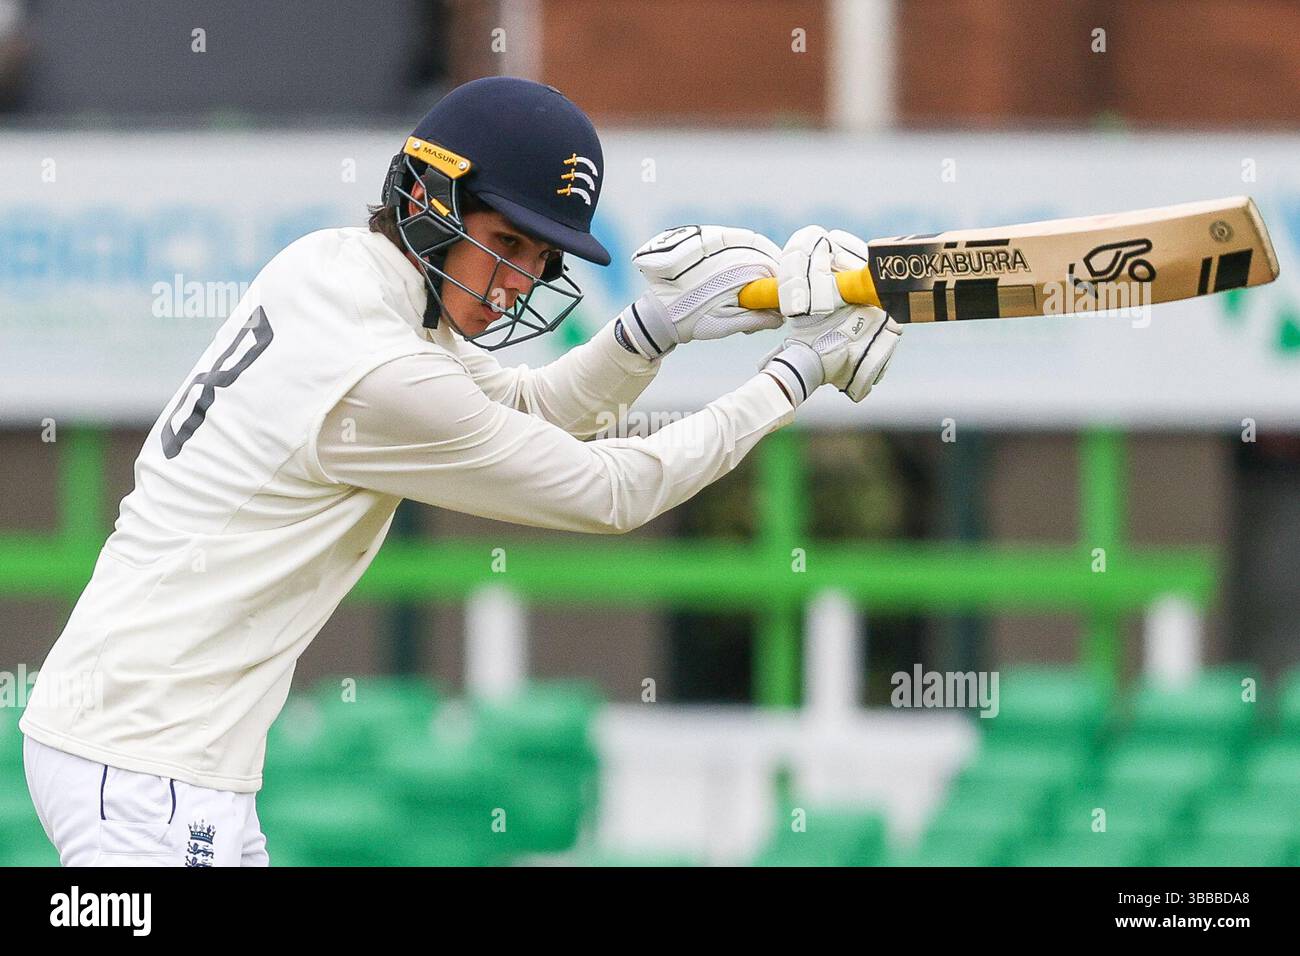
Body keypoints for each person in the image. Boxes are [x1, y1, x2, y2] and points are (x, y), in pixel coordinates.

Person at [19, 76, 901, 866]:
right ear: (429, 195)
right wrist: (794, 376)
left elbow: (529, 409)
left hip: (151, 751)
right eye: (508, 242)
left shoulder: (334, 271)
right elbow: (611, 492)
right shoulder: (383, 374)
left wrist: (653, 330)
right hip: (141, 766)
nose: (523, 281)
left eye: (543, 259)